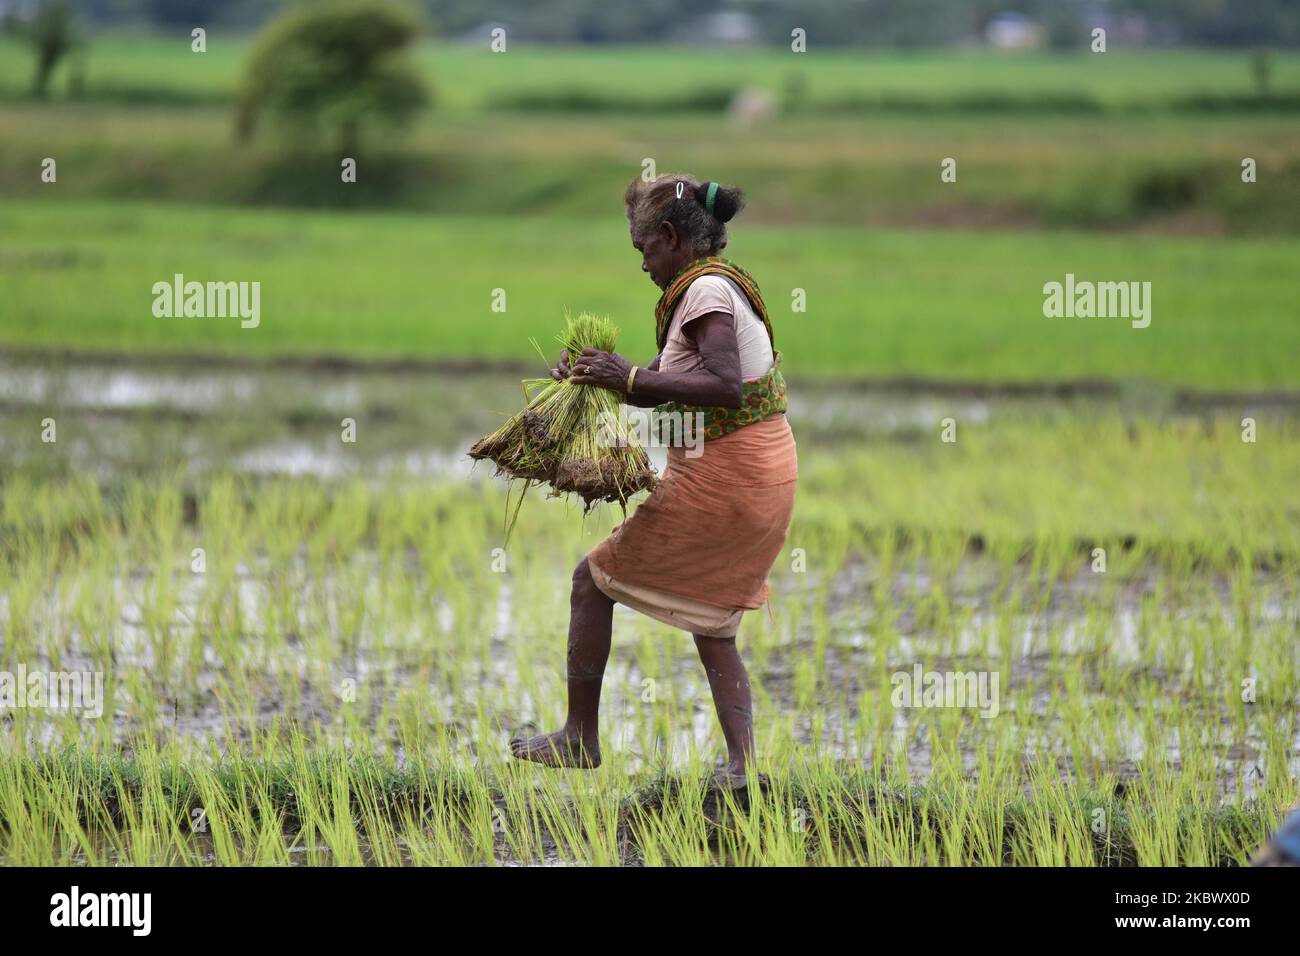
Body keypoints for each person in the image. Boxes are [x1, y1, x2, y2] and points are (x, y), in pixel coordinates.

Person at [509, 173, 798, 789]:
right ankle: (744, 768)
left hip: (731, 474)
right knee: (712, 621)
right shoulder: (709, 288)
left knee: (592, 582)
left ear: (670, 236)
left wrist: (632, 379)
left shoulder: (707, 294)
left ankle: (579, 737)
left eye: (644, 249)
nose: (642, 264)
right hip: (758, 468)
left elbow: (724, 387)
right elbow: (686, 395)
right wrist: (601, 378)